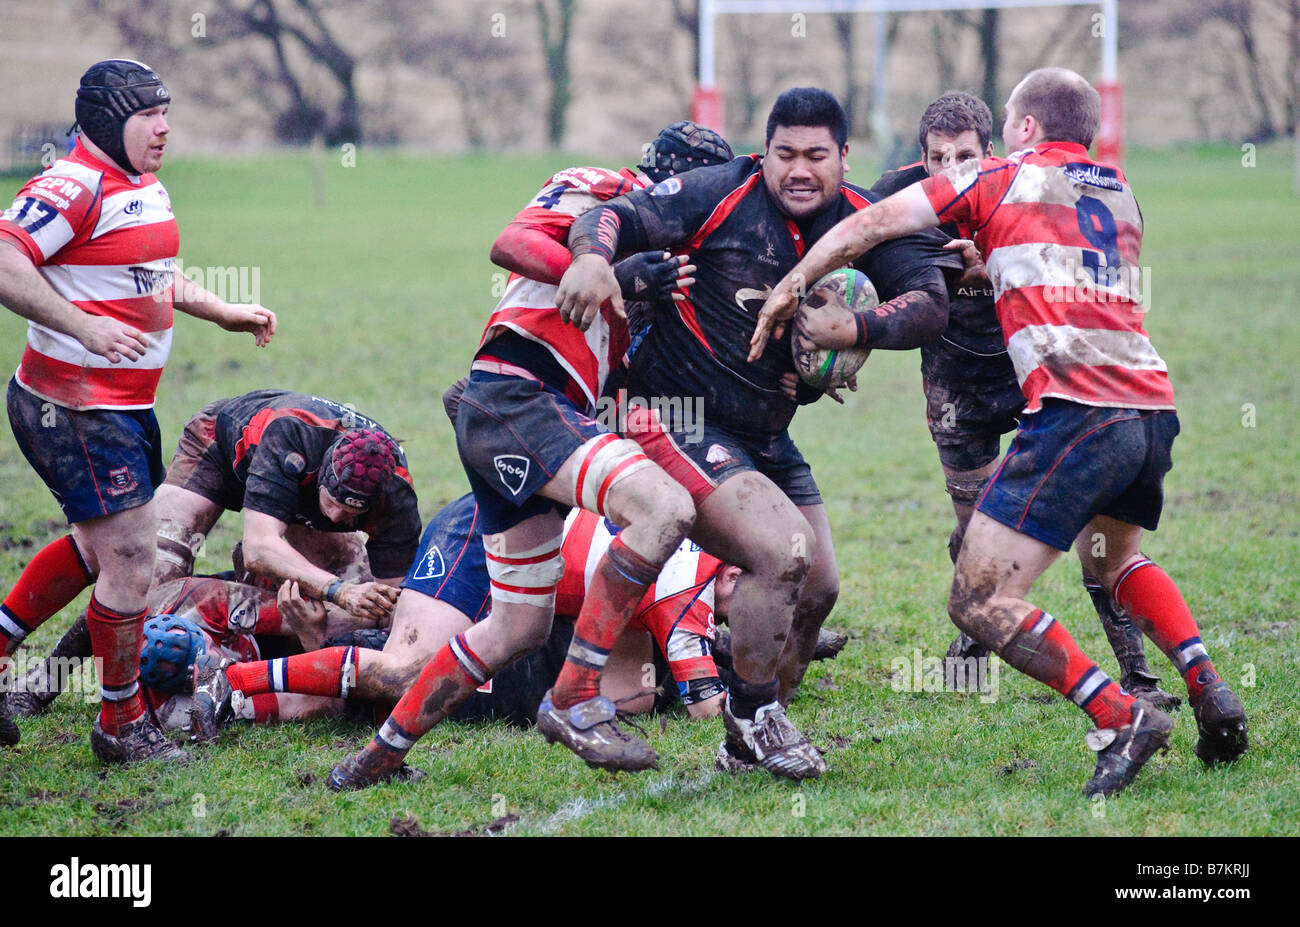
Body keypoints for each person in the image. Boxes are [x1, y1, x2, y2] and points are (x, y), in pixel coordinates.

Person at [753, 67, 1249, 796]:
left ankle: (1122, 714)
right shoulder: (1119, 190)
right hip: (1149, 405)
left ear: (1020, 130)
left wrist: (792, 284)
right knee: (1113, 563)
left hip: (1077, 411)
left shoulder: (999, 177)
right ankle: (1210, 688)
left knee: (978, 599)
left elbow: (872, 224)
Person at [554, 87, 964, 779]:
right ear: (764, 151)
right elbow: (608, 216)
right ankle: (752, 714)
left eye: (816, 156)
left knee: (819, 585)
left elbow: (930, 303)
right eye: (784, 154)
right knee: (783, 551)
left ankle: (754, 725)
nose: (798, 170)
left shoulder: (863, 218)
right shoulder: (721, 193)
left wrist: (856, 328)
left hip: (764, 432)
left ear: (843, 156)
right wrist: (594, 259)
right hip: (675, 413)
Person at [326, 123, 735, 789]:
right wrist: (603, 272)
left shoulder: (666, 264)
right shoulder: (606, 192)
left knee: (517, 625)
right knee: (663, 509)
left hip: (527, 416)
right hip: (519, 397)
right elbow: (510, 243)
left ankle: (378, 754)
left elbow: (625, 384)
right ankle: (574, 696)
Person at [0, 59, 276, 762]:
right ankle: (120, 724)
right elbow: (5, 255)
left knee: (100, 551)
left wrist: (223, 311)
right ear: (108, 117)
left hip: (121, 408)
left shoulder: (142, 187)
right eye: (149, 114)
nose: (164, 127)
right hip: (75, 408)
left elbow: (151, 274)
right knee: (130, 559)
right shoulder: (74, 183)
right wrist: (82, 325)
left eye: (166, 112)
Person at [869, 91, 1176, 707]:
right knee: (974, 529)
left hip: (1036, 370)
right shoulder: (895, 197)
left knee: (1096, 533)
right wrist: (855, 329)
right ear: (920, 158)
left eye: (964, 155)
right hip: (956, 381)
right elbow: (866, 266)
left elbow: (1095, 271)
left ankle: (1138, 675)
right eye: (936, 157)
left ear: (991, 151)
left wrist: (998, 263)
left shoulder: (1024, 184)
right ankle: (977, 636)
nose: (950, 168)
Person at [188, 493, 732, 762]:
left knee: (629, 694)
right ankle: (229, 680)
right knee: (401, 671)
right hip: (485, 534)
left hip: (520, 546)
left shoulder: (693, 551)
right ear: (732, 574)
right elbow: (709, 712)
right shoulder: (688, 594)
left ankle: (247, 660)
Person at [150, 388, 420, 623]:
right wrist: (338, 591)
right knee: (158, 572)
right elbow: (257, 549)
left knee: (360, 607)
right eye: (333, 502)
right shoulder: (291, 436)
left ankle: (255, 619)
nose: (337, 518)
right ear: (321, 473)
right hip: (221, 446)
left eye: (352, 513)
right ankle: (211, 609)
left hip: (299, 492)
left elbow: (393, 604)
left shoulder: (397, 496)